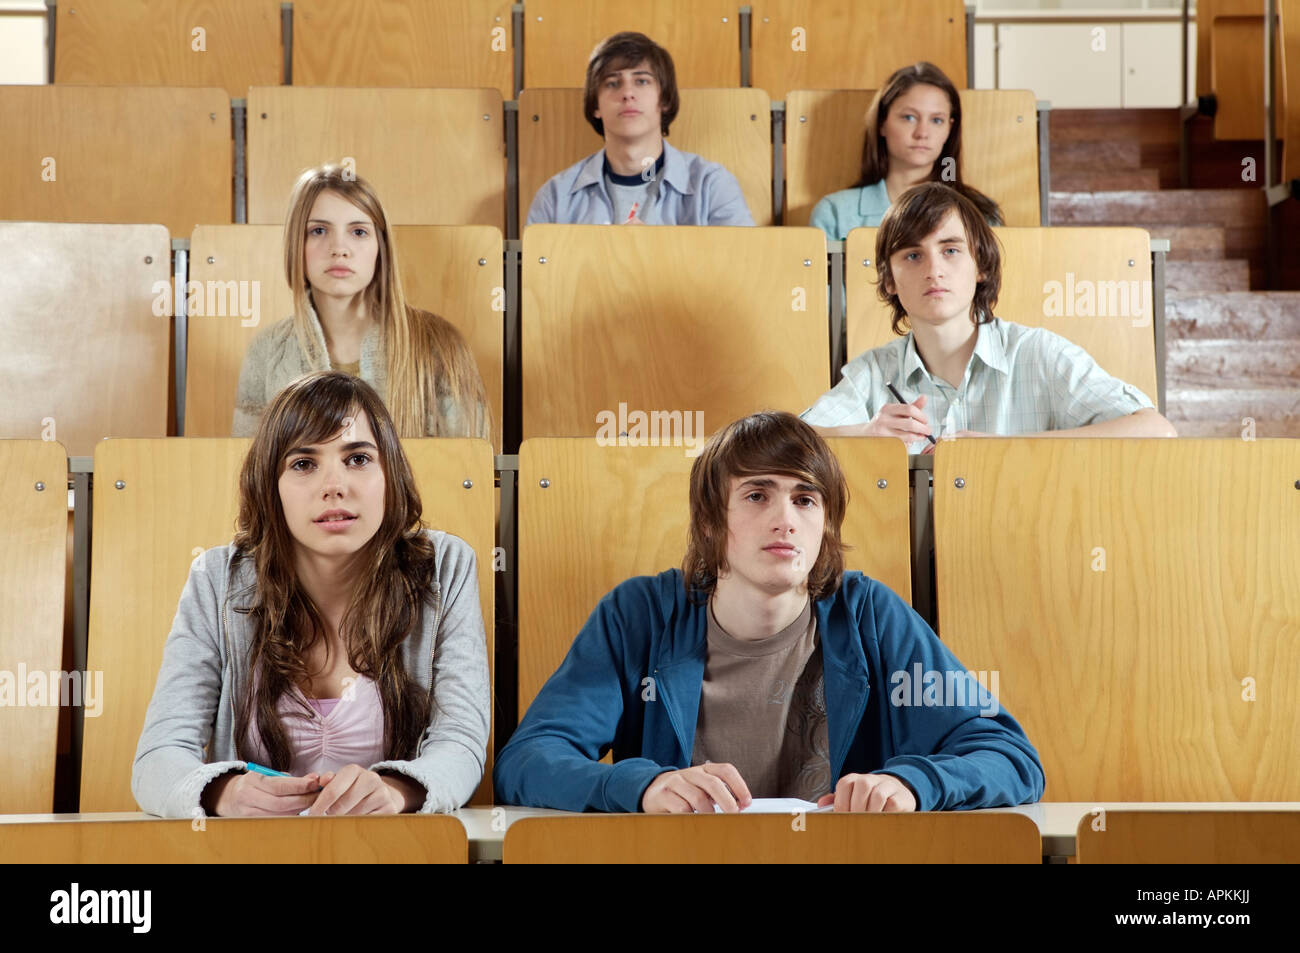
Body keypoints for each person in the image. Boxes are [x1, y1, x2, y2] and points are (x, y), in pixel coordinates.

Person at [494, 411, 1045, 813]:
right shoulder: (638, 614)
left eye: (805, 500)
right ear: (712, 522)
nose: (786, 519)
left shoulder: (870, 614)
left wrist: (913, 784)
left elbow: (1009, 756)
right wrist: (641, 787)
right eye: (758, 495)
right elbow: (528, 761)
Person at [135, 372, 490, 818]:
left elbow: (461, 743)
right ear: (272, 486)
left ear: (389, 475)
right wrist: (225, 794)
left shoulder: (446, 566)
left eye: (357, 458)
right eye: (304, 464)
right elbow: (156, 759)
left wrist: (397, 791)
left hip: (396, 851)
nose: (334, 485)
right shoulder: (217, 578)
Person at [802, 183, 1177, 450]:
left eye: (950, 250)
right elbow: (776, 446)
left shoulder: (1038, 354)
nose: (934, 270)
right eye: (913, 256)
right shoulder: (871, 373)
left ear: (980, 265)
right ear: (889, 282)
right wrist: (866, 436)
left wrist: (1008, 452)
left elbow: (1155, 430)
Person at [233, 164, 490, 440]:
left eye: (358, 232)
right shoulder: (266, 351)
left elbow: (468, 473)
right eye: (319, 230)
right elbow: (251, 473)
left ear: (381, 247)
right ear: (296, 244)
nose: (339, 249)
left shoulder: (440, 345)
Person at [525, 31, 754, 227]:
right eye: (612, 83)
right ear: (596, 105)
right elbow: (537, 278)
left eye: (642, 81)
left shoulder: (711, 185)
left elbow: (740, 270)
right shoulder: (556, 196)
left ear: (663, 99)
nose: (627, 93)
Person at [810, 62, 1003, 241]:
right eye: (909, 117)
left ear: (949, 129)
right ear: (882, 123)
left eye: (936, 120)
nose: (922, 133)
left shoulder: (981, 213)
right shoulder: (836, 212)